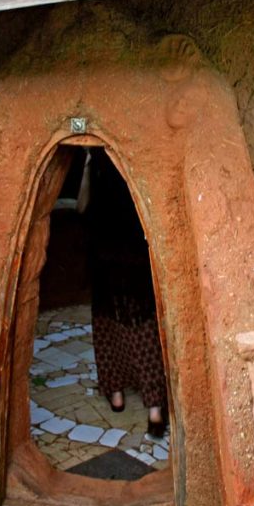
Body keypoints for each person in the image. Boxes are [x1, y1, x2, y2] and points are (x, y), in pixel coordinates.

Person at [78, 149, 169, 437]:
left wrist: (88, 163)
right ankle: (155, 409)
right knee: (143, 326)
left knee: (107, 324)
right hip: (135, 257)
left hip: (104, 259)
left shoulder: (96, 167)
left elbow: (81, 206)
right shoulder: (134, 159)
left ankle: (116, 394)